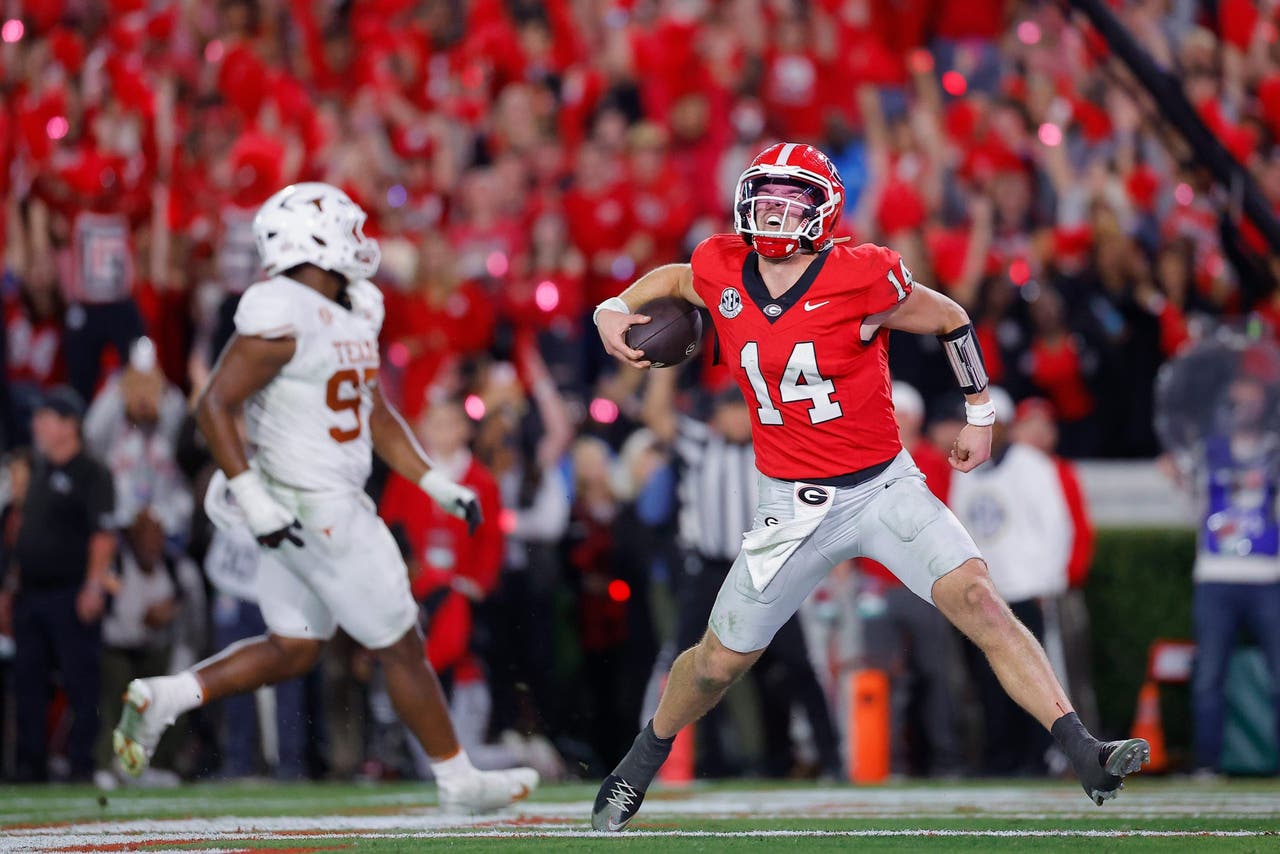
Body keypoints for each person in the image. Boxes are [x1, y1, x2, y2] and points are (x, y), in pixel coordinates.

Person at [590, 143, 1147, 831]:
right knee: (715, 663)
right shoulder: (720, 263)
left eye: (792, 201)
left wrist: (980, 412)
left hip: (884, 487)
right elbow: (677, 277)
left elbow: (948, 316)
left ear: (822, 213)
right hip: (789, 503)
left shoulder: (862, 273)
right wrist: (611, 305)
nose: (773, 211)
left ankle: (1082, 750)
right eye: (765, 197)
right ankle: (636, 767)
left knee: (981, 600)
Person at [111, 182, 537, 810]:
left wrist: (433, 481)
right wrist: (251, 495)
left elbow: (375, 413)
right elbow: (214, 404)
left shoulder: (348, 310)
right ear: (310, 239)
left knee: (294, 647)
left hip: (303, 510)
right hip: (319, 508)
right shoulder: (280, 306)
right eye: (347, 229)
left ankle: (166, 697)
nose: (360, 244)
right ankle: (457, 779)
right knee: (401, 644)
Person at [11, 386, 118, 781]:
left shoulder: (92, 472)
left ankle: (81, 764)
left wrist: (93, 586)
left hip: (72, 593)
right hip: (32, 595)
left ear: (69, 424)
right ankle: (30, 764)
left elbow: (103, 535)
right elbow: (26, 536)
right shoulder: (39, 471)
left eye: (46, 417)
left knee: (81, 681)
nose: (37, 424)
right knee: (28, 683)